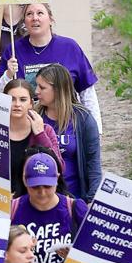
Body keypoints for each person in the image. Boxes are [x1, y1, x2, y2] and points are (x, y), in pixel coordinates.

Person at [0, 1, 102, 129]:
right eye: (29, 14)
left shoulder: (70, 47)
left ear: (50, 19)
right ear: (24, 22)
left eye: (40, 13)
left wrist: (96, 130)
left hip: (67, 127)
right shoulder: (14, 50)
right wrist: (8, 75)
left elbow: (87, 93)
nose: (35, 18)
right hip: (27, 129)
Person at [10, 152, 87, 263]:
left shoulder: (75, 208)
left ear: (57, 178)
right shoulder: (12, 209)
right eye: (35, 187)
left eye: (47, 186)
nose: (42, 192)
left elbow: (96, 253)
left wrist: (76, 258)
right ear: (25, 180)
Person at [35, 63, 102, 202]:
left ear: (58, 90)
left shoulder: (83, 119)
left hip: (75, 198)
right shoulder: (35, 117)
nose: (36, 91)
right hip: (40, 199)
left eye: (42, 87)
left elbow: (93, 164)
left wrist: (91, 201)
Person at [7, 77, 63, 197]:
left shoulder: (45, 130)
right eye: (12, 99)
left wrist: (40, 134)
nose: (17, 104)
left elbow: (59, 167)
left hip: (36, 199)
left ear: (31, 103)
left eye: (23, 100)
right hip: (1, 201)